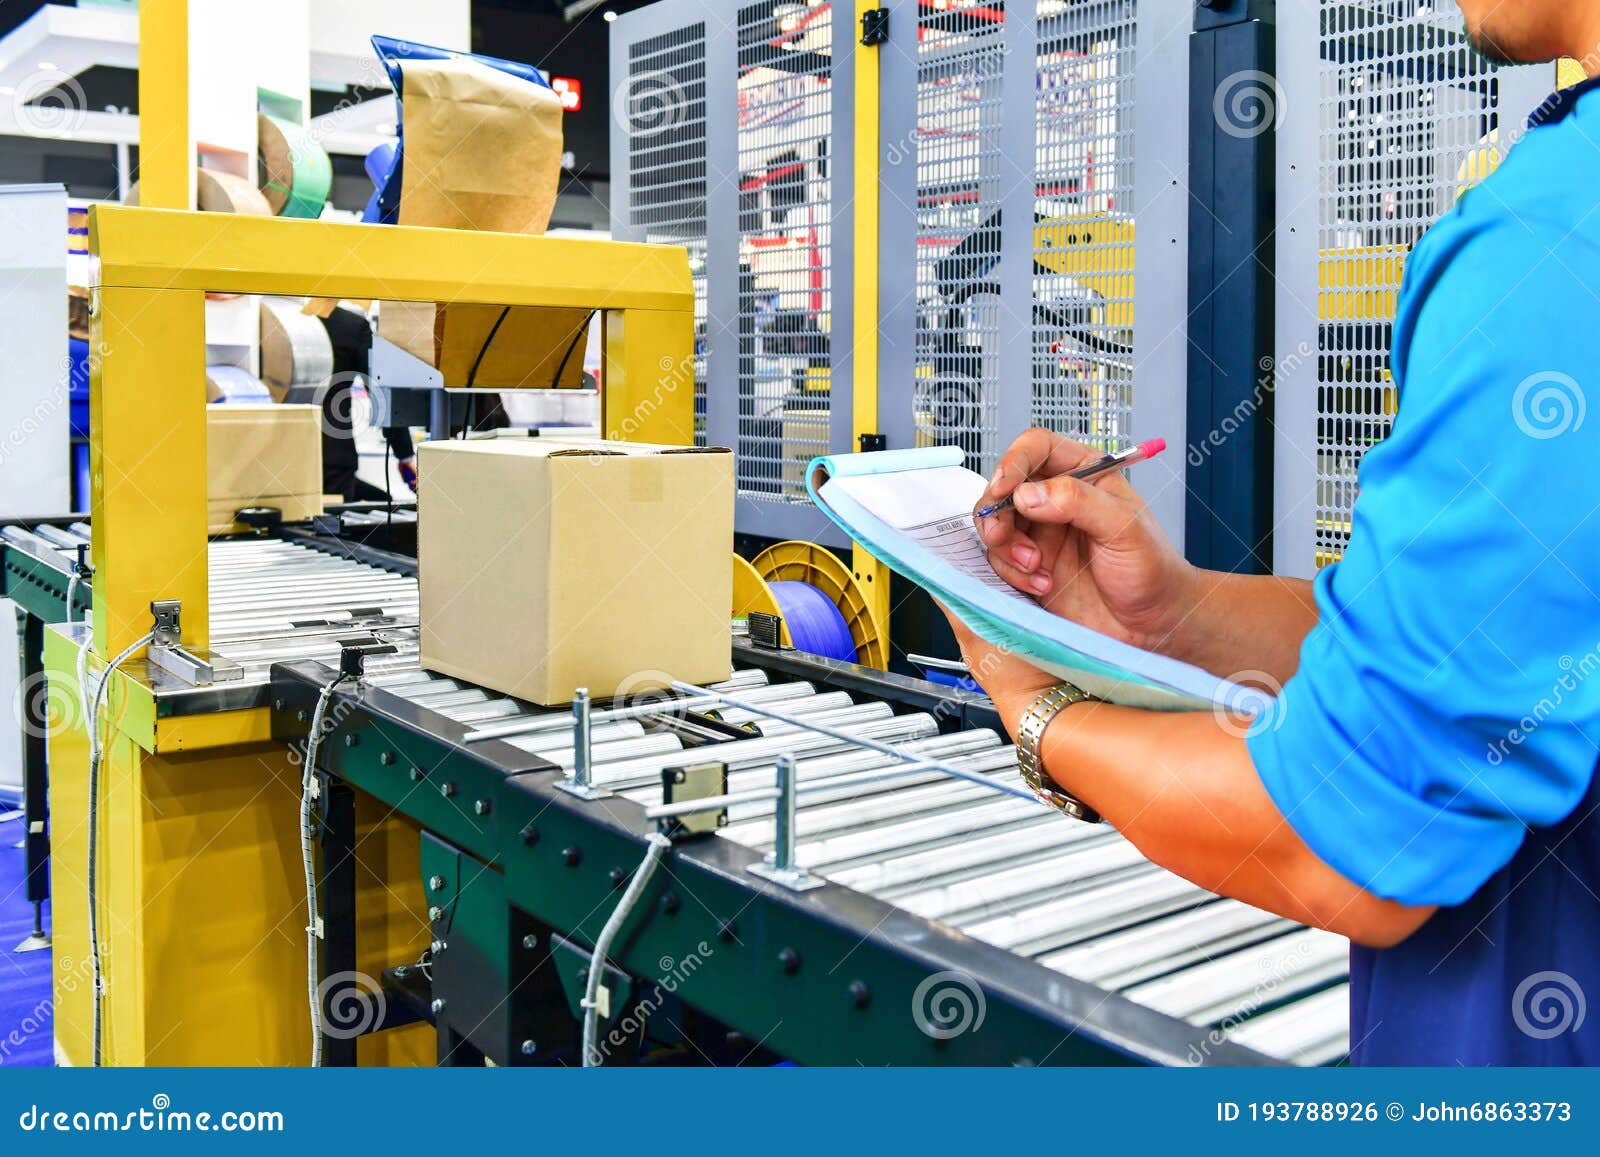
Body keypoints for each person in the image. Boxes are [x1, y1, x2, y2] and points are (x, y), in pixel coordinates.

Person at [951, 0, 1600, 1066]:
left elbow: (1354, 843)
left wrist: (1036, 709)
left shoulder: (1549, 238)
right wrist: (1172, 613)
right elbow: (1486, 650)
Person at [318, 304, 418, 501]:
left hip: (274, 453)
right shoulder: (349, 325)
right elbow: (381, 394)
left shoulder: (268, 318)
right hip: (332, 458)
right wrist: (404, 454)